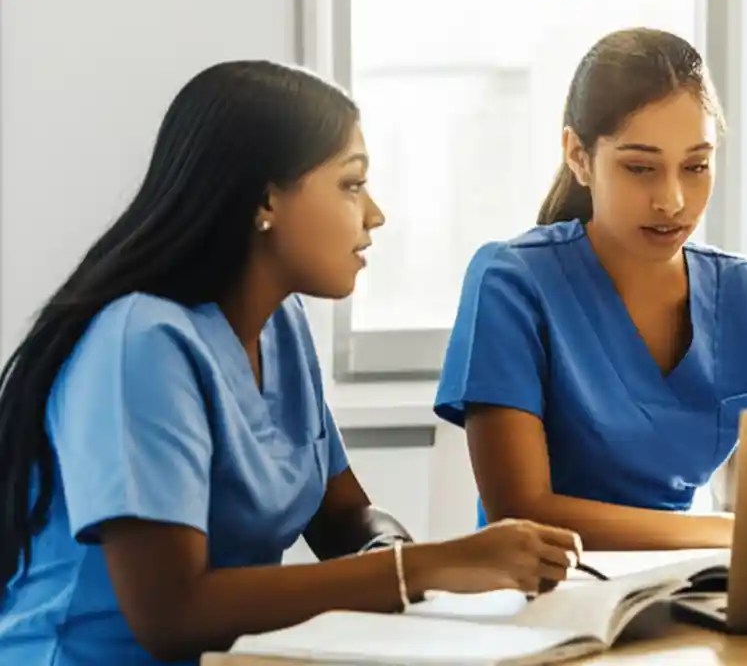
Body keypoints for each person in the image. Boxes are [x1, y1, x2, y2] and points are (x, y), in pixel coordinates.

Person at [0, 61, 580, 666]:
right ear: (267, 199)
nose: (374, 213)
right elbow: (172, 613)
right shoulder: (141, 344)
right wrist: (430, 566)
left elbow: (342, 517)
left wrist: (401, 558)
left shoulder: (281, 326)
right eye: (351, 185)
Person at [434, 28, 747, 550]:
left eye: (696, 166)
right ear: (578, 156)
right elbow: (520, 510)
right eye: (640, 168)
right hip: (540, 597)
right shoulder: (512, 281)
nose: (672, 200)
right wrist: (723, 533)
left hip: (686, 591)